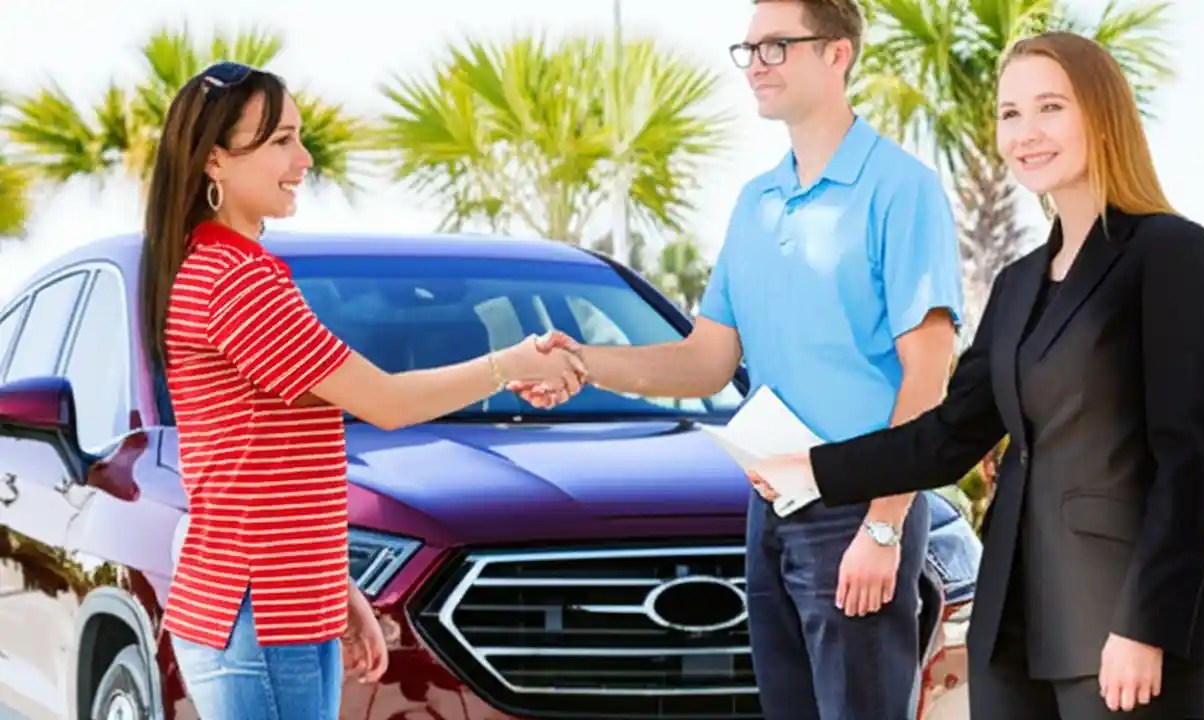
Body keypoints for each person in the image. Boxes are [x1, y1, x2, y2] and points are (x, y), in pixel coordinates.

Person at [747, 31, 1204, 719]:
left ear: (1103, 116)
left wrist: (1145, 625)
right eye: (1010, 114)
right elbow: (948, 437)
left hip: (1122, 628)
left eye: (1050, 108)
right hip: (1012, 634)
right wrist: (813, 470)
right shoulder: (1017, 284)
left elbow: (1191, 465)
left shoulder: (1170, 252)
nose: (1025, 132)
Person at [514, 2, 965, 716]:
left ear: (838, 53)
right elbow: (706, 361)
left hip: (859, 508)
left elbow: (928, 373)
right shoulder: (757, 202)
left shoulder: (900, 189)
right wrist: (581, 362)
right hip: (771, 507)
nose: (756, 63)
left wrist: (883, 526)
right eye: (749, 49)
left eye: (776, 46)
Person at [139, 61, 586, 720]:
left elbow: (266, 464)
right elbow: (386, 402)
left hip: (279, 602)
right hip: (261, 614)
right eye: (281, 141)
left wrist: (336, 586)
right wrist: (510, 363)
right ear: (215, 160)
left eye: (299, 137)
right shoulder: (236, 281)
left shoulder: (223, 268)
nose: (304, 159)